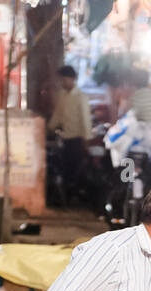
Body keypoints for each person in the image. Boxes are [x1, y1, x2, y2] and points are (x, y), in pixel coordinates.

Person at [47, 66, 92, 206]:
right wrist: (49, 128)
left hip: (77, 140)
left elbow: (86, 120)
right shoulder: (63, 95)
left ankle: (73, 199)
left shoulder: (81, 97)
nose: (62, 82)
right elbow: (58, 115)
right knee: (65, 170)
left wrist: (87, 140)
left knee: (74, 172)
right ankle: (65, 200)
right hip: (64, 139)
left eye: (64, 79)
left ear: (72, 79)